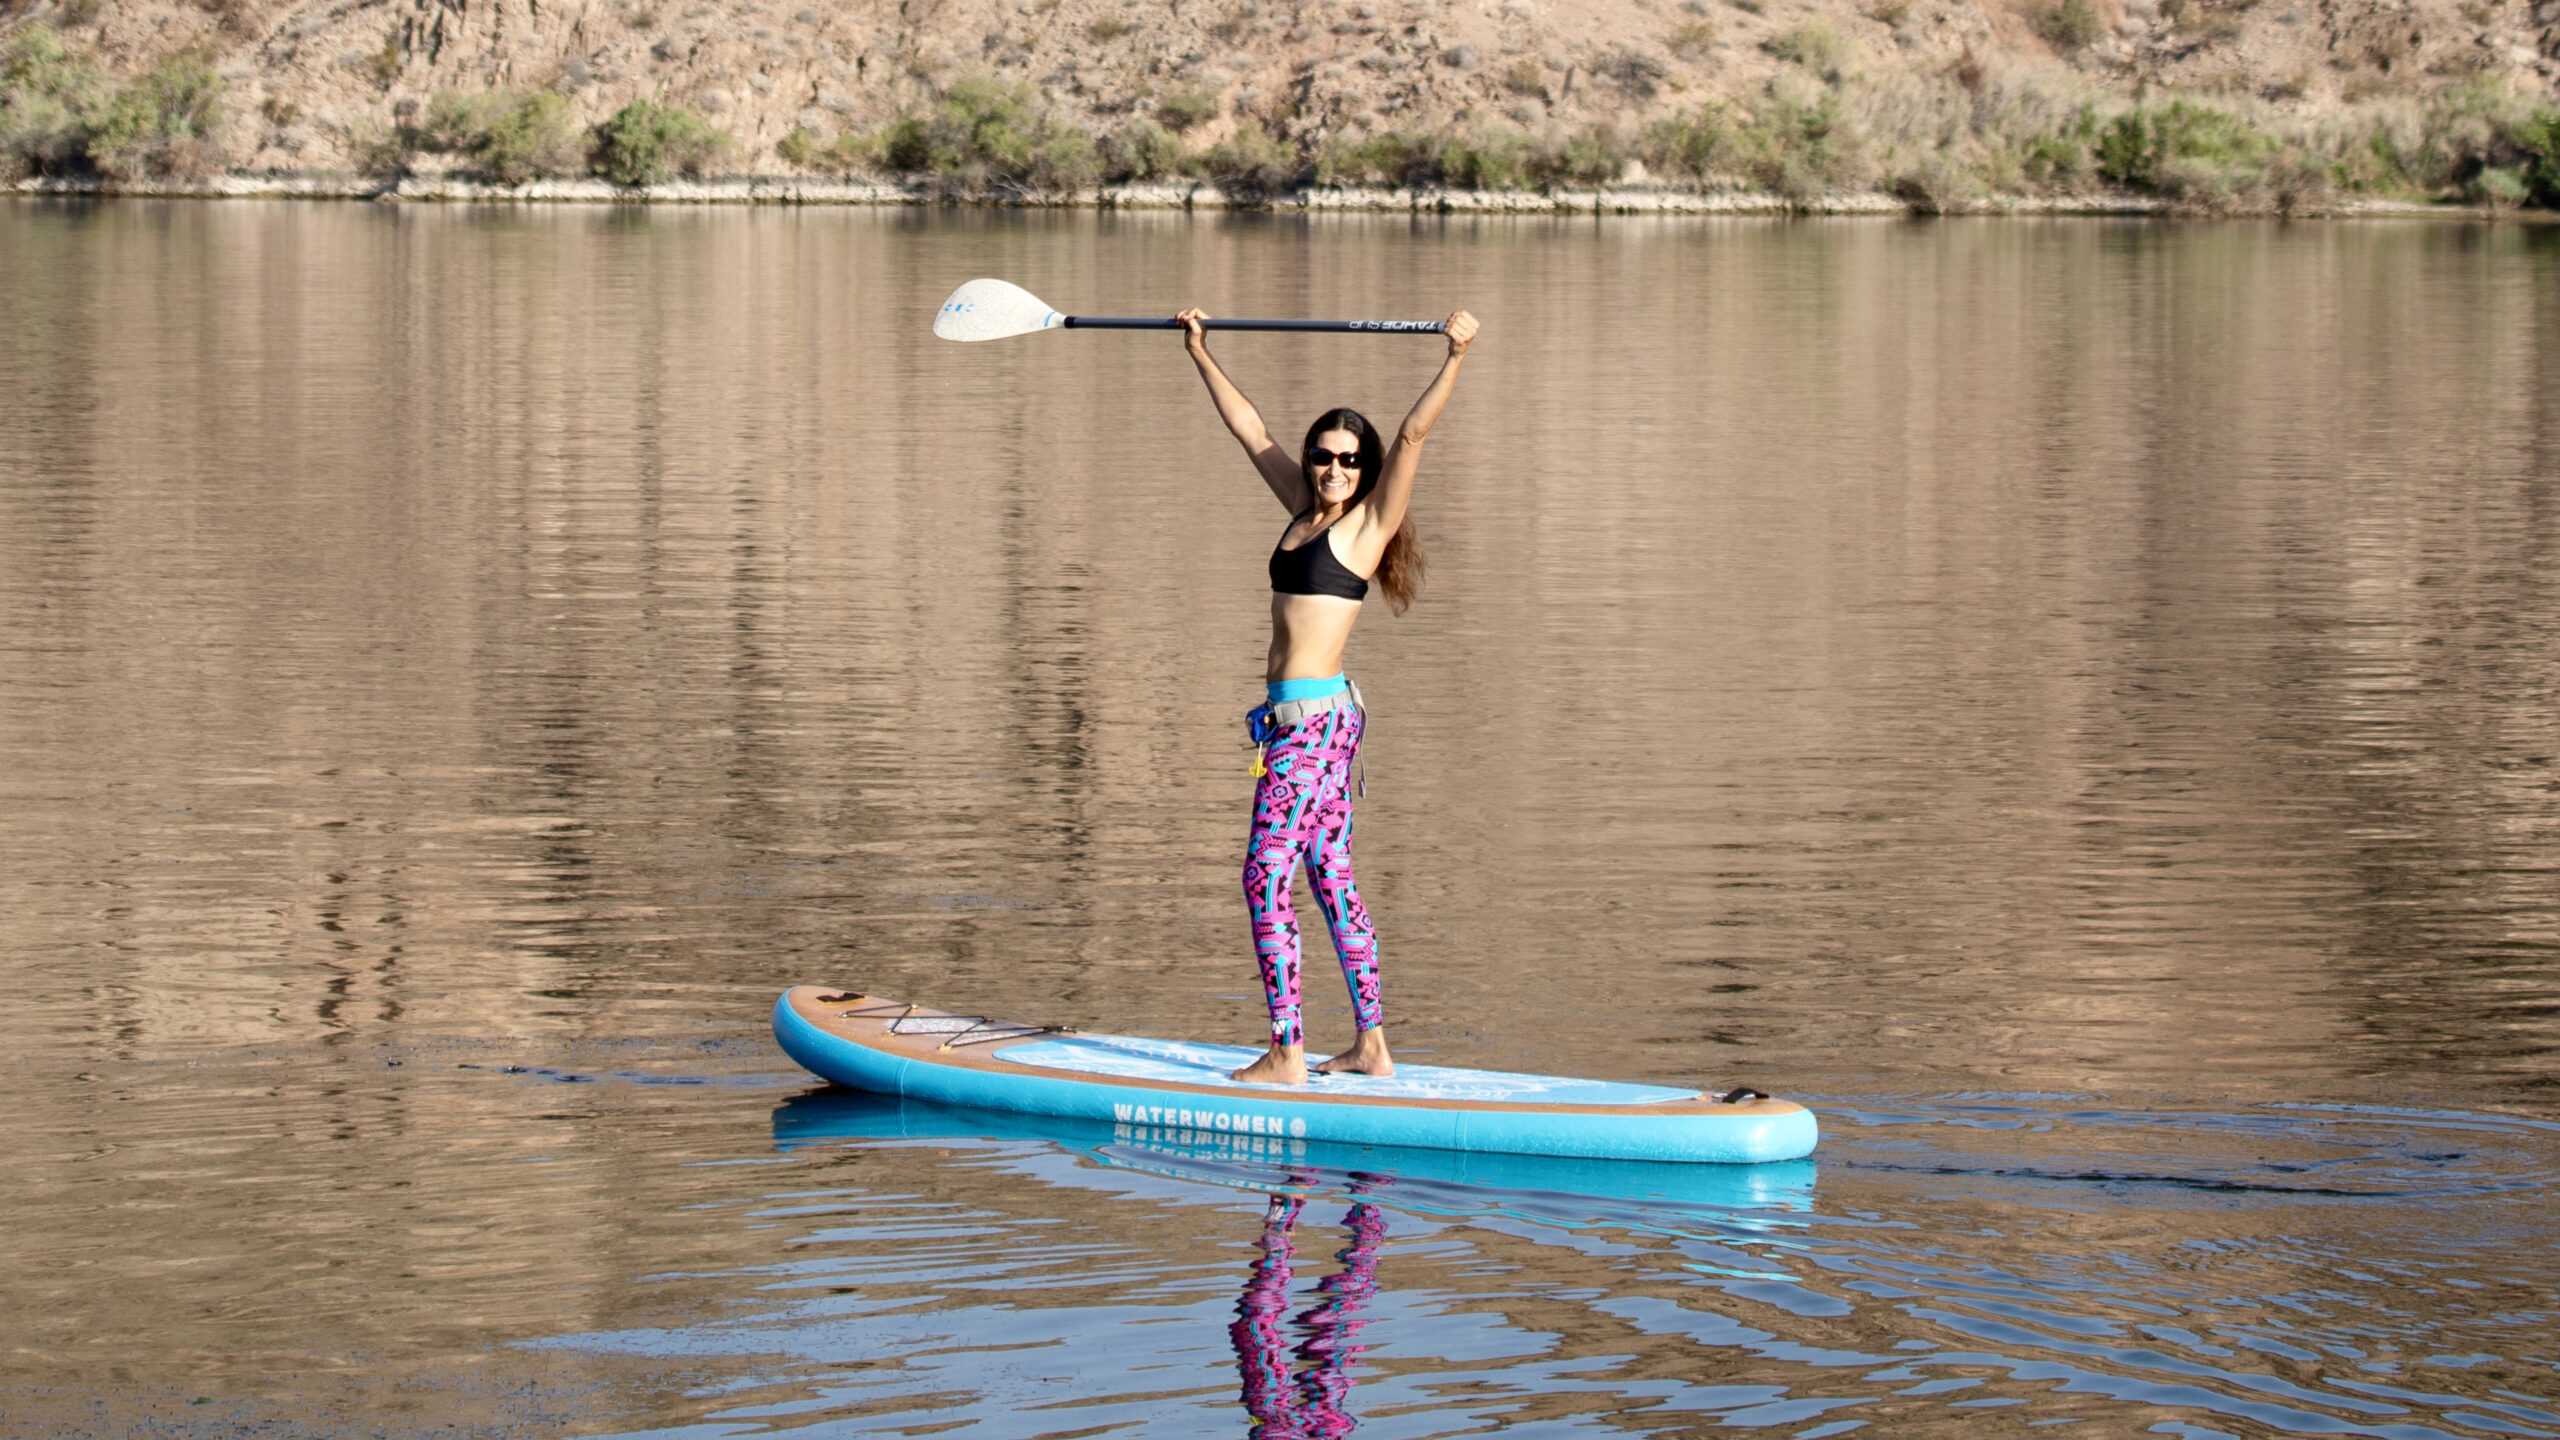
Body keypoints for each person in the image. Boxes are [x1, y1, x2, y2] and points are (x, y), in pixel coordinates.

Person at [1176, 303, 1480, 1085]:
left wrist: (1454, 356)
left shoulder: (1366, 528)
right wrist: (1199, 349)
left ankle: (1287, 1051)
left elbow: (1412, 435)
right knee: (1328, 876)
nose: (1334, 468)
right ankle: (1371, 1046)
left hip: (1313, 732)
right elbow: (1251, 430)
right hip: (1304, 727)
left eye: (1349, 460)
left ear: (1365, 469)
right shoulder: (1302, 514)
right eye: (1323, 455)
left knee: (1264, 875)